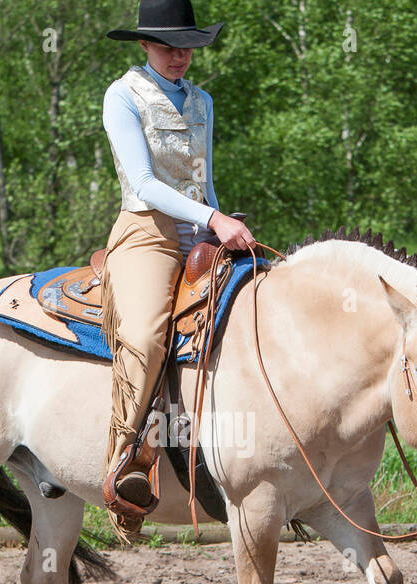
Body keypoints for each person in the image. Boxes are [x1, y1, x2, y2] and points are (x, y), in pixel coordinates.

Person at [101, 0, 254, 540]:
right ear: (144, 45)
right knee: (144, 336)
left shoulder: (202, 102)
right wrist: (209, 215)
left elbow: (201, 182)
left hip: (202, 233)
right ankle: (126, 466)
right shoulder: (122, 96)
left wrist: (220, 219)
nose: (180, 56)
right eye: (168, 46)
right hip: (148, 235)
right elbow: (142, 182)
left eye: (188, 46)